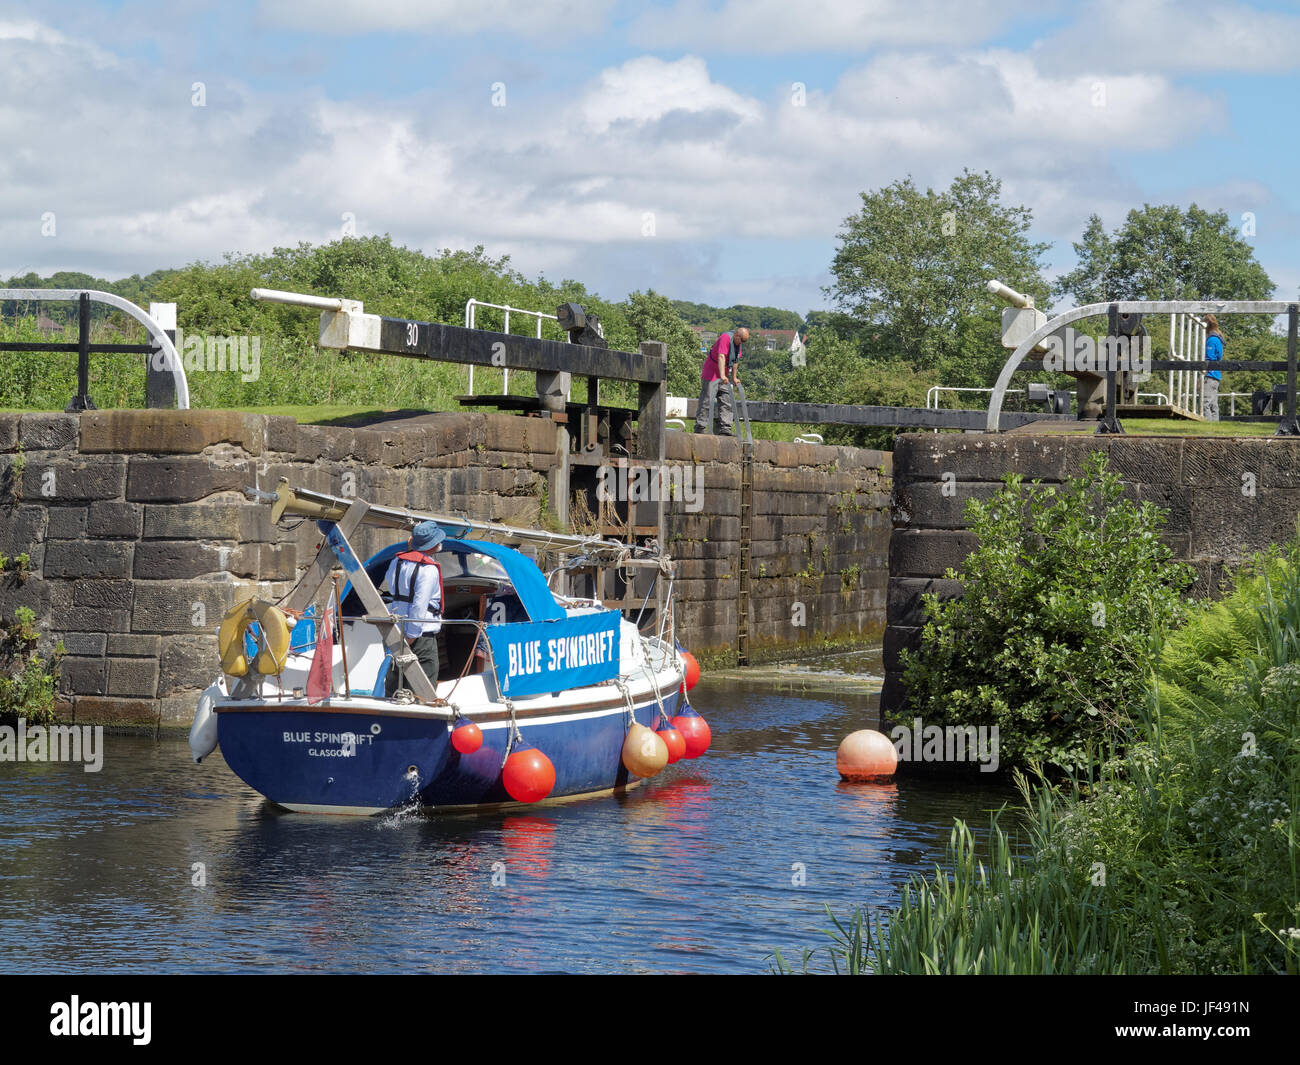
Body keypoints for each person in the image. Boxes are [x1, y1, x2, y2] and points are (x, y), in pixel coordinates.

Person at [384, 520, 444, 695]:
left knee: (395, 682)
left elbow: (391, 585)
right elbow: (419, 605)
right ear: (433, 545)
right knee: (423, 690)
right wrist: (411, 636)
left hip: (395, 631)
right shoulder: (428, 569)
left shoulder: (397, 561)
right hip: (420, 636)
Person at [694, 327, 748, 436]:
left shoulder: (738, 344)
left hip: (724, 374)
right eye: (742, 340)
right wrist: (722, 375)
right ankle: (700, 427)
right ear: (737, 336)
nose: (742, 343)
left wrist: (734, 377)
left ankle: (725, 428)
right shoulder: (725, 338)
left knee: (726, 399)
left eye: (744, 342)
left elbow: (736, 360)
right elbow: (721, 356)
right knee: (707, 400)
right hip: (712, 372)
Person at [1203, 314, 1224, 421]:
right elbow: (1218, 356)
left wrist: (1203, 373)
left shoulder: (1211, 340)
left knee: (1205, 403)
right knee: (1213, 404)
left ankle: (1207, 425)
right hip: (1216, 375)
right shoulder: (1218, 339)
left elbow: (1209, 358)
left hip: (1210, 375)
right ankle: (1215, 425)